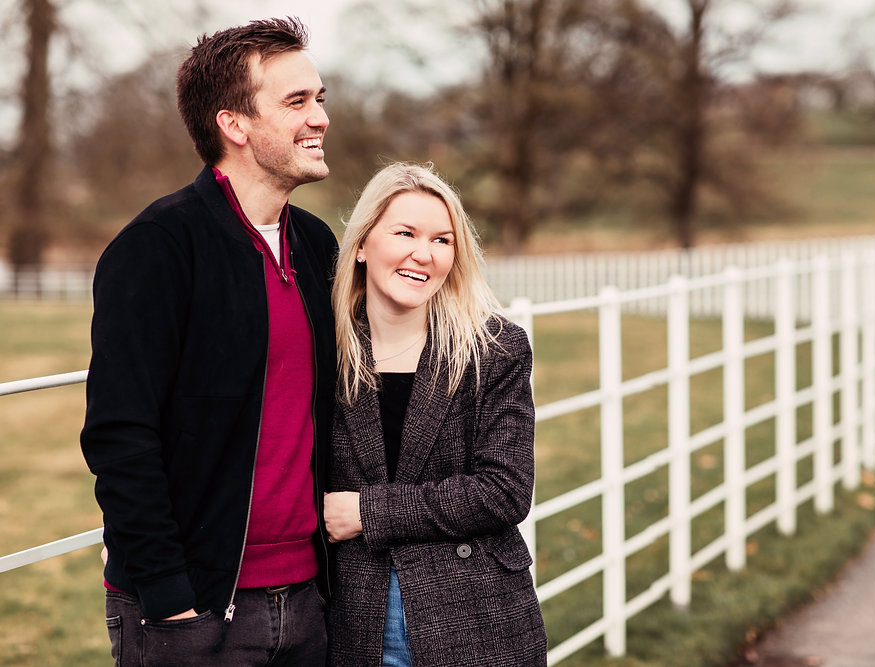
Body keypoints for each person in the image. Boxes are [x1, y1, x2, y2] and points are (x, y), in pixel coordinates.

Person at [79, 17, 338, 666]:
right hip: (195, 610)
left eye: (320, 98)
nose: (321, 118)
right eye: (297, 102)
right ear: (235, 125)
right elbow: (119, 433)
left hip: (309, 599)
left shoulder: (318, 245)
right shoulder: (158, 248)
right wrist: (170, 599)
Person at [323, 162, 547, 666]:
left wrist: (368, 512)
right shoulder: (325, 351)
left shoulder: (493, 349)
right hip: (352, 622)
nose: (423, 254)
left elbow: (504, 490)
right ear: (361, 244)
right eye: (405, 233)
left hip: (477, 620)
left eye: (442, 240)